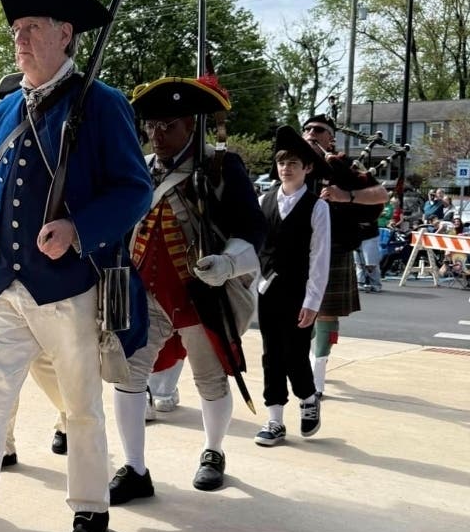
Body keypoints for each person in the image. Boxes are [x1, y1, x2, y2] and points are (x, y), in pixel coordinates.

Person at [0, 0, 152, 532]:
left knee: (80, 408)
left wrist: (80, 227)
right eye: (15, 31)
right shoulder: (5, 109)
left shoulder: (104, 104)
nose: (19, 39)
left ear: (65, 35)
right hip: (2, 288)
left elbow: (134, 190)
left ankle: (89, 510)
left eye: (30, 29)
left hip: (69, 288)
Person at [106, 77, 266, 507]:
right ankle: (135, 468)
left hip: (198, 292)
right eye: (153, 126)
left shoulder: (220, 166)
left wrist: (229, 263)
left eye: (169, 126)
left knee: (210, 379)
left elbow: (253, 229)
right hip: (143, 293)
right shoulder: (138, 167)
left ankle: (213, 451)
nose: (158, 135)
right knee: (127, 376)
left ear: (191, 127)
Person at [254, 126, 330, 446]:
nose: (286, 168)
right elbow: (256, 247)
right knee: (271, 354)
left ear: (307, 168)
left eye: (294, 163)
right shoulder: (264, 200)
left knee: (295, 353)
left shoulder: (317, 207)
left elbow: (319, 256)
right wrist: (254, 281)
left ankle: (307, 396)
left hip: (299, 291)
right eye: (282, 162)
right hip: (267, 291)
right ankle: (274, 420)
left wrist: (313, 301)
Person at [301, 114, 387, 397]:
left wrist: (344, 196)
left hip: (334, 246)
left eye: (320, 130)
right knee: (299, 311)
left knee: (325, 312)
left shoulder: (343, 166)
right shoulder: (289, 163)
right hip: (296, 248)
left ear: (331, 138)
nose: (312, 133)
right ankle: (307, 360)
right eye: (308, 129)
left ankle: (318, 374)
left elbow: (379, 195)